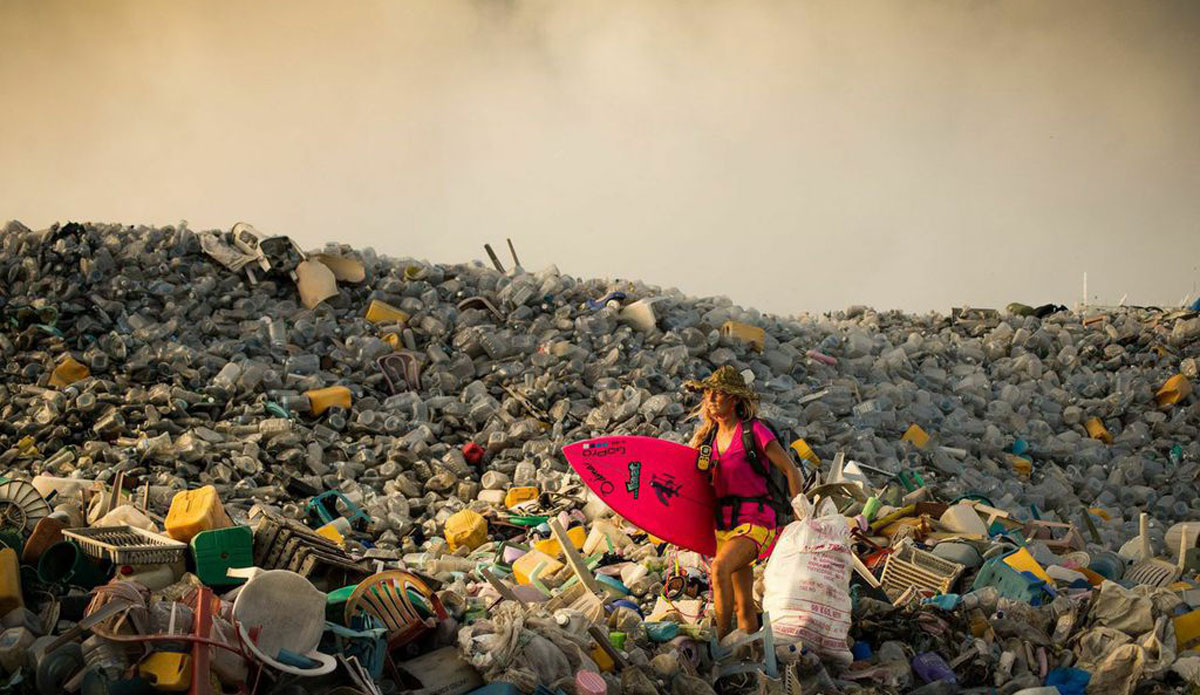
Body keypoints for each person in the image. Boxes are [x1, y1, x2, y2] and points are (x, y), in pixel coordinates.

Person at [684, 366, 803, 639]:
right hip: (724, 525)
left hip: (757, 520)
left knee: (720, 568)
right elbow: (693, 483)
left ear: (735, 398)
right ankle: (748, 651)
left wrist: (799, 514)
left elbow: (790, 469)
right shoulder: (707, 440)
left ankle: (721, 641)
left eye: (719, 394)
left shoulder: (754, 431)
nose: (711, 399)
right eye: (708, 393)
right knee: (743, 605)